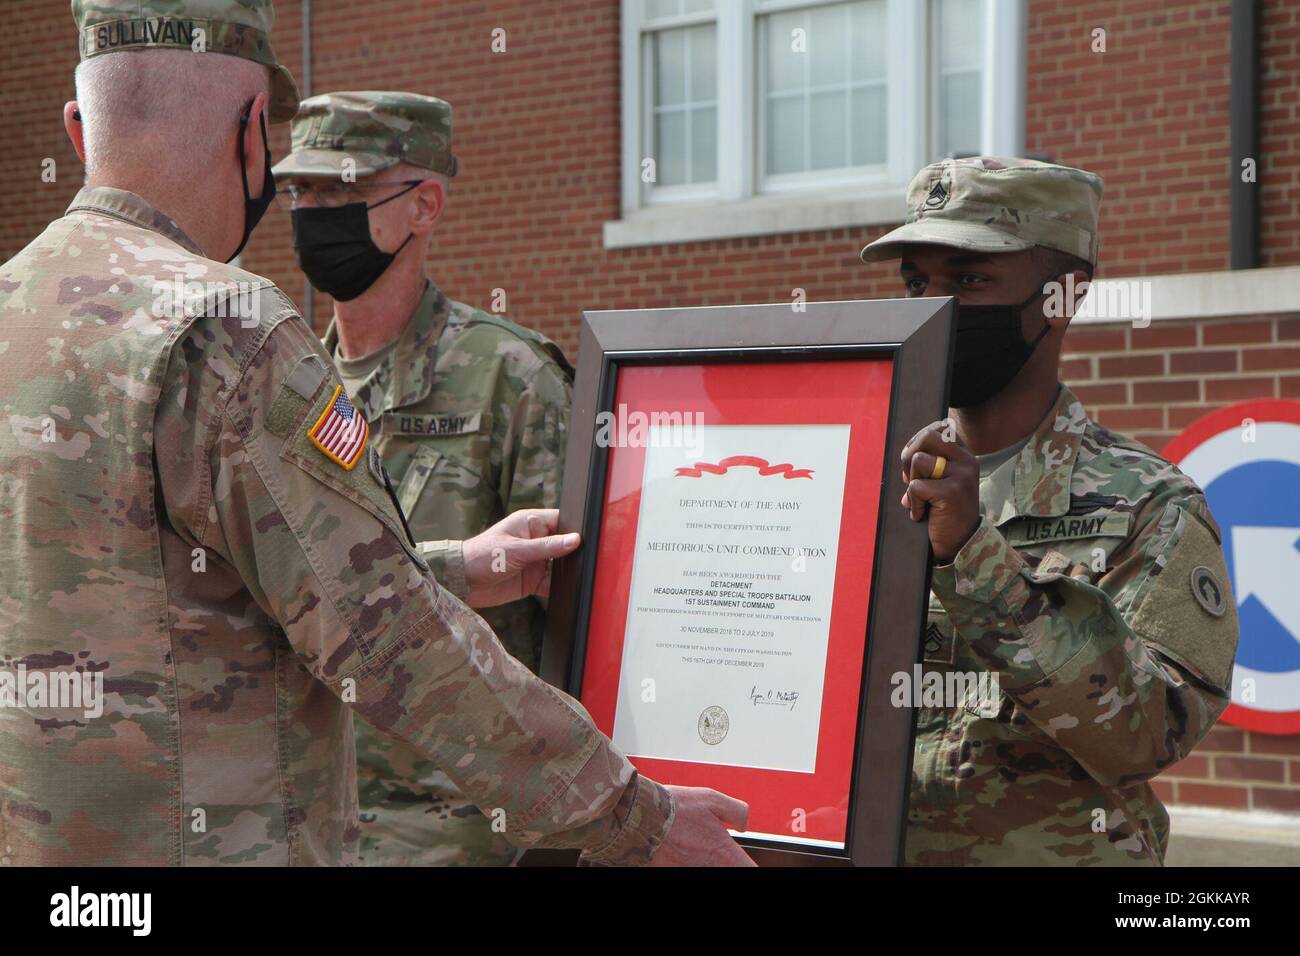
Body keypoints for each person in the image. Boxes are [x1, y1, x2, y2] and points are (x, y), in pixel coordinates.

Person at [0, 0, 751, 867]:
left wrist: (459, 569)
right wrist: (635, 818)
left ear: (76, 125)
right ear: (254, 132)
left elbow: (204, 582)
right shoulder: (224, 329)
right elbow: (381, 631)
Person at [861, 156, 1240, 865]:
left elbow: (1145, 734)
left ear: (1063, 297)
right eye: (917, 282)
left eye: (969, 280)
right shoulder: (862, 477)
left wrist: (972, 552)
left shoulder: (1151, 504)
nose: (933, 308)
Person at [272, 90, 576, 866]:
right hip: (310, 818)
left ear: (424, 205)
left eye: (343, 191)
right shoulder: (281, 385)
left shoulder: (510, 376)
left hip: (462, 828)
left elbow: (572, 619)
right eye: (302, 192)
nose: (315, 213)